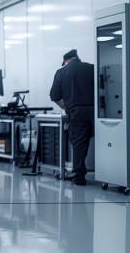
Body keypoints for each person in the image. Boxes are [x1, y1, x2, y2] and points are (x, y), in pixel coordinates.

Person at [50, 49, 94, 186]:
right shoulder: (92, 68)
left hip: (76, 111)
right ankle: (110, 175)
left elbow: (54, 96)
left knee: (79, 143)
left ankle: (79, 176)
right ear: (77, 58)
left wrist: (65, 107)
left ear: (65, 61)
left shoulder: (62, 72)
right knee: (105, 141)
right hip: (96, 110)